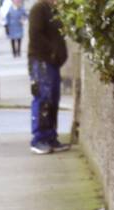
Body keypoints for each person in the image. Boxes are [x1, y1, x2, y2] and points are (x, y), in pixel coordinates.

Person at [27, 0, 67, 154]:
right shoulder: (39, 9)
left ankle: (50, 137)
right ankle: (39, 139)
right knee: (43, 98)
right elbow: (35, 35)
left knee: (53, 99)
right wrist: (53, 52)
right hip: (41, 61)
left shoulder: (53, 9)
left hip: (51, 62)